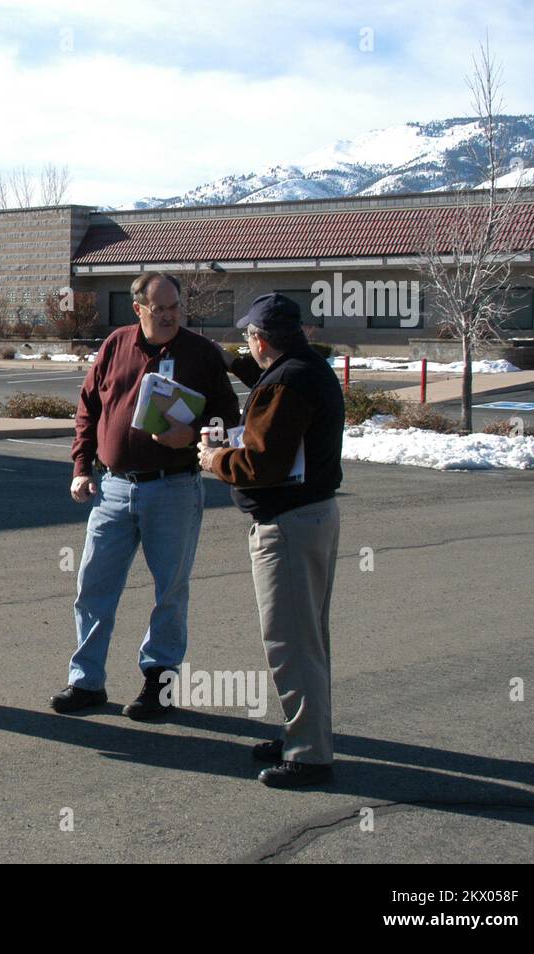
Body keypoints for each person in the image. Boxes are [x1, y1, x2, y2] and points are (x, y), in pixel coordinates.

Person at [52, 273, 241, 719]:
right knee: (93, 587)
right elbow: (88, 409)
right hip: (113, 488)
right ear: (139, 309)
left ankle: (161, 684)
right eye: (161, 308)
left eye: (176, 306)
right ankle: (86, 682)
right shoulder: (117, 345)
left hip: (173, 487)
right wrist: (81, 467)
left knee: (169, 590)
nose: (171, 314)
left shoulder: (200, 353)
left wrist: (193, 436)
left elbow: (228, 417)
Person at [197, 293, 345, 788]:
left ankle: (308, 756)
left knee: (291, 642)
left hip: (288, 526)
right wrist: (232, 362)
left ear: (261, 339)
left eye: (248, 339)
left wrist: (214, 459)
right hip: (312, 517)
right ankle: (301, 734)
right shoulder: (306, 368)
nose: (247, 347)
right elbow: (271, 388)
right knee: (308, 637)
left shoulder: (287, 383)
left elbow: (261, 465)